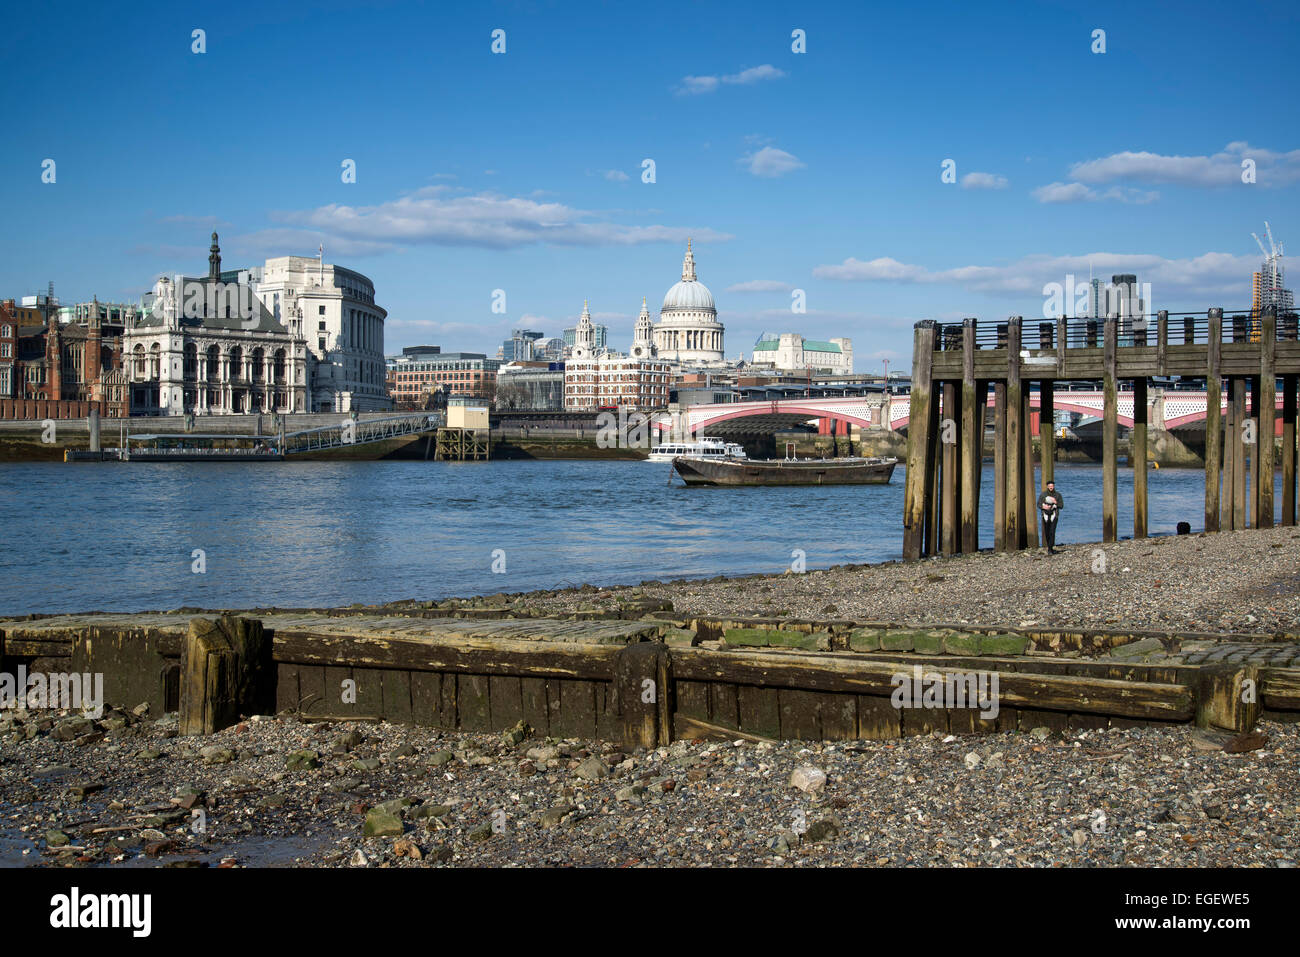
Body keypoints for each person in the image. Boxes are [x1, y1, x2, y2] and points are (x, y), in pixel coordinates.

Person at [1037, 480, 1063, 555]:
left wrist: (1056, 503)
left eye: (1052, 486)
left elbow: (1061, 506)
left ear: (1054, 486)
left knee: (1052, 531)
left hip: (1054, 515)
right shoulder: (1043, 495)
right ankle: (1050, 546)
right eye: (1050, 486)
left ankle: (1050, 549)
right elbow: (1038, 504)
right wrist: (1043, 506)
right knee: (1047, 532)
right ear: (1047, 486)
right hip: (1045, 515)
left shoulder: (1058, 495)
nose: (1051, 487)